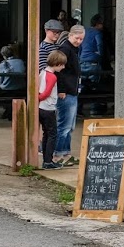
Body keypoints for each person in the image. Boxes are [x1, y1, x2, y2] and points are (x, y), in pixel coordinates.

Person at [55, 24, 85, 164]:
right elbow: (59, 71)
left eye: (81, 39)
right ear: (70, 36)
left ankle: (65, 153)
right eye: (77, 38)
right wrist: (61, 89)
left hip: (72, 90)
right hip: (66, 92)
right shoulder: (65, 49)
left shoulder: (73, 49)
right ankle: (59, 154)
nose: (79, 41)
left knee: (69, 126)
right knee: (64, 125)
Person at [38, 49, 66, 169]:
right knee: (52, 134)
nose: (63, 67)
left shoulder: (43, 72)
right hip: (48, 108)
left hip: (41, 108)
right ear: (57, 64)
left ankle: (46, 159)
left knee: (46, 134)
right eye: (62, 65)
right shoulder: (52, 76)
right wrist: (39, 98)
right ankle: (48, 161)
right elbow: (46, 93)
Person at [80, 14, 105, 82]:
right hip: (93, 61)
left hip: (82, 60)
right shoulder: (97, 33)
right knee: (93, 84)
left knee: (83, 83)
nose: (103, 26)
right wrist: (100, 54)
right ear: (97, 24)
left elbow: (80, 45)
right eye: (102, 23)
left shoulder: (85, 31)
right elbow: (99, 44)